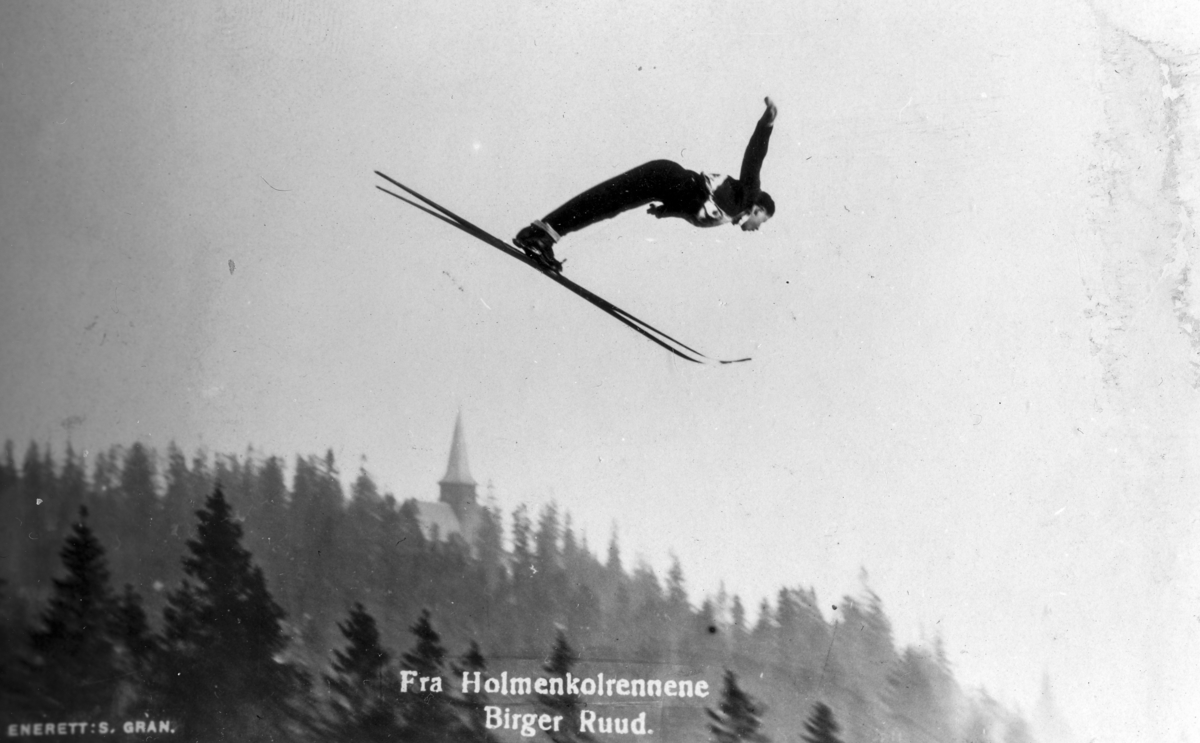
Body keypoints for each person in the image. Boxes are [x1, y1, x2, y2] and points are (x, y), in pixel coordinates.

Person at [513, 97, 778, 272]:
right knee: (603, 202)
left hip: (662, 185)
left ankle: (542, 236)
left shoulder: (728, 212)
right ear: (758, 209)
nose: (758, 228)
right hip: (664, 176)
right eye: (763, 221)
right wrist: (767, 123)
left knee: (604, 205)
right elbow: (755, 156)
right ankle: (540, 235)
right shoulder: (748, 195)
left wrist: (667, 210)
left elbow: (694, 203)